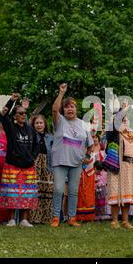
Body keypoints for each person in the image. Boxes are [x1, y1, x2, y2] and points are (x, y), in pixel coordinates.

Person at [51, 84, 93, 227]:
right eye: (67, 107)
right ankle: (56, 217)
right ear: (64, 109)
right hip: (60, 161)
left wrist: (86, 156)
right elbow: (54, 109)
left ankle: (71, 218)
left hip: (76, 163)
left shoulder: (83, 124)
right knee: (58, 189)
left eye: (72, 107)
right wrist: (61, 93)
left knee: (74, 191)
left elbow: (90, 144)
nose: (70, 109)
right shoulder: (60, 121)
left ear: (76, 109)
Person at [0, 94, 40, 228]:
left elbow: (36, 144)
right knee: (12, 192)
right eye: (20, 113)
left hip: (28, 166)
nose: (23, 115)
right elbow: (4, 114)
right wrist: (11, 101)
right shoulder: (11, 127)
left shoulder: (30, 129)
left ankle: (24, 220)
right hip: (13, 165)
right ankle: (11, 219)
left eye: (24, 113)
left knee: (27, 193)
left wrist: (32, 157)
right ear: (15, 116)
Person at [104, 106, 133, 229]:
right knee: (116, 191)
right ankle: (114, 220)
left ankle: (125, 221)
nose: (124, 122)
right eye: (122, 119)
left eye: (126, 120)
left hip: (130, 167)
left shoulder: (132, 136)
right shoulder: (113, 134)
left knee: (127, 194)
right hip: (117, 166)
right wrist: (122, 112)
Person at [29, 114, 55, 224]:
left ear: (45, 124)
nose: (39, 125)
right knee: (35, 190)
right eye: (36, 123)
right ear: (33, 125)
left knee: (47, 190)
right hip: (35, 163)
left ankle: (46, 218)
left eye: (41, 123)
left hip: (48, 163)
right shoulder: (30, 135)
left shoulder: (50, 137)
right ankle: (34, 218)